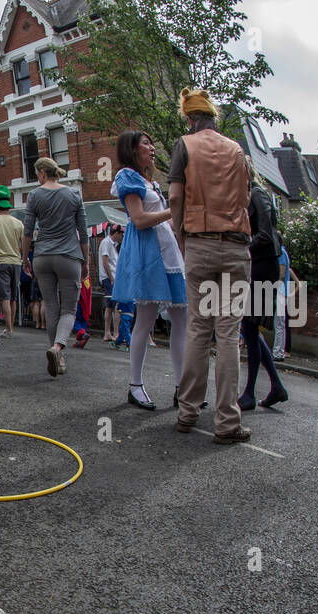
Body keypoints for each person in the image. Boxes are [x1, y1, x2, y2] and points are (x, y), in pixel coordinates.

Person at [168, 87, 252, 444]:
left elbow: (174, 197)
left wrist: (184, 240)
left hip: (199, 244)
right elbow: (246, 197)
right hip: (234, 246)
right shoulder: (237, 150)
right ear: (213, 117)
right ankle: (227, 422)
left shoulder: (184, 146)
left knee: (199, 331)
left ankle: (187, 412)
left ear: (190, 118)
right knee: (229, 336)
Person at [108, 131, 187, 409]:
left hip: (168, 252)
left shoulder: (150, 181)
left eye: (152, 143)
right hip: (147, 252)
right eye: (146, 144)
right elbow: (139, 219)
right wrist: (173, 211)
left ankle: (182, 388)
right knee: (146, 319)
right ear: (131, 149)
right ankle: (135, 385)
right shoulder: (127, 176)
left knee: (182, 319)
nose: (152, 148)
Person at [22, 156, 88, 377]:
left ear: (41, 173)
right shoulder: (73, 195)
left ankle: (57, 357)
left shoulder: (34, 195)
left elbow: (27, 232)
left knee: (51, 306)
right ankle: (58, 347)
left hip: (42, 256)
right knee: (69, 309)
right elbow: (84, 234)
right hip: (69, 256)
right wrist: (86, 261)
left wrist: (25, 258)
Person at [239, 159, 289, 411]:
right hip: (258, 265)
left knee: (249, 327)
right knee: (249, 329)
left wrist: (241, 246)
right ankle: (276, 387)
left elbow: (267, 235)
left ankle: (250, 393)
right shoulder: (248, 195)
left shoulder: (258, 194)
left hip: (263, 266)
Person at [0, 185, 26, 337]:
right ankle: (11, 328)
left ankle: (8, 330)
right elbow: (22, 245)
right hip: (16, 262)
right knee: (13, 297)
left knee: (4, 298)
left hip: (1, 262)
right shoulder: (18, 223)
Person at [99, 225, 122, 341]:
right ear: (116, 233)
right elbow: (105, 262)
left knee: (110, 306)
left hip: (111, 278)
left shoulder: (113, 245)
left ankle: (108, 333)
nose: (122, 236)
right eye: (121, 234)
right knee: (117, 305)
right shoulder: (107, 243)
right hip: (109, 278)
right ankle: (116, 333)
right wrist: (112, 278)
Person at [273, 235, 291, 360]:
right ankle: (278, 351)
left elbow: (281, 274)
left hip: (279, 292)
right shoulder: (282, 252)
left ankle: (278, 352)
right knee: (279, 324)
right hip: (281, 292)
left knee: (279, 324)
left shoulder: (281, 254)